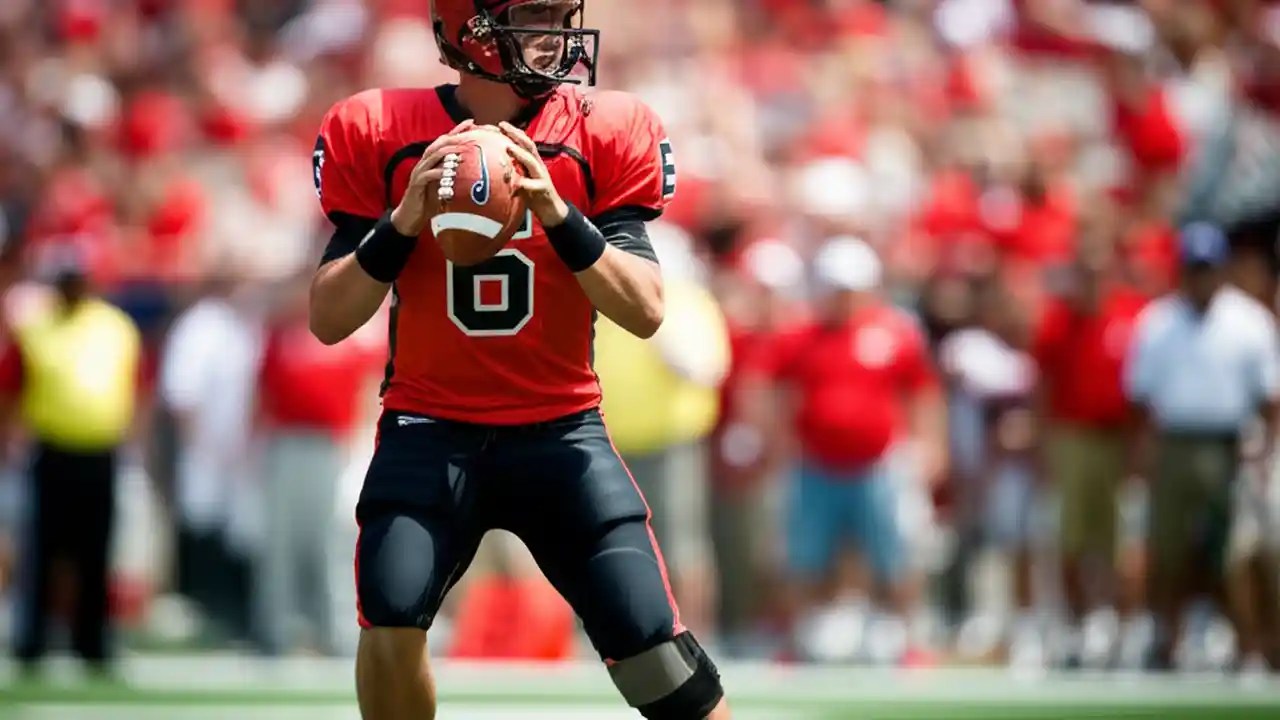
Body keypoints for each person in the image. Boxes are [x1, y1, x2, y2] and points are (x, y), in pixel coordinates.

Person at [307, 1, 730, 718]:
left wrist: (562, 216)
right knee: (390, 620)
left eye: (562, 15)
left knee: (655, 654)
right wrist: (402, 222)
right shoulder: (379, 129)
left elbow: (645, 309)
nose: (558, 36)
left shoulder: (604, 127)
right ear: (469, 30)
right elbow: (327, 318)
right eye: (536, 16)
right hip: (428, 426)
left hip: (561, 430)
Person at [750, 236, 947, 666]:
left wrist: (931, 445)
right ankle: (794, 645)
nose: (842, 297)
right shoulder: (802, 335)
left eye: (850, 288)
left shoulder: (894, 332)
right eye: (835, 287)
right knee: (803, 558)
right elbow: (765, 384)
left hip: (878, 467)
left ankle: (910, 644)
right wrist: (773, 439)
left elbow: (924, 392)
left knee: (895, 555)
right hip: (815, 466)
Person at [1126, 222, 1280, 672]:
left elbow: (1269, 397)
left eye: (1208, 269)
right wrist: (1141, 457)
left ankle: (1248, 646)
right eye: (1193, 269)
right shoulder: (1157, 322)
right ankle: (1164, 641)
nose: (1201, 278)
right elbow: (1140, 398)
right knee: (1167, 549)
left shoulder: (1248, 321)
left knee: (1234, 553)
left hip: (1230, 445)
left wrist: (1266, 453)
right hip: (1175, 443)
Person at [2, 243, 141, 675]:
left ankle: (92, 642)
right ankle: (33, 641)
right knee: (42, 549)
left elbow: (131, 387)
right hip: (52, 449)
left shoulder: (115, 327)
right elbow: (12, 386)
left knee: (95, 550)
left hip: (100, 451)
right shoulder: (35, 327)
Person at [1034, 236, 1149, 669]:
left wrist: (1141, 450)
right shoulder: (1057, 321)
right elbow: (1043, 389)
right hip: (1073, 438)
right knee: (1072, 539)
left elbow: (1145, 391)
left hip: (1120, 439)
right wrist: (1043, 448)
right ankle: (1076, 627)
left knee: (1122, 543)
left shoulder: (1133, 316)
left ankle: (1123, 630)